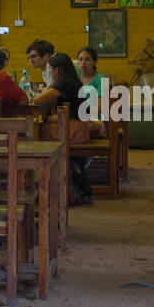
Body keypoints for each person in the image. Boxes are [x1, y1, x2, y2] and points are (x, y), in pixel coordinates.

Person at [34, 52, 94, 203]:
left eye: (51, 68)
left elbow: (37, 100)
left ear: (58, 69)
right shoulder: (71, 81)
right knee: (41, 127)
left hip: (75, 129)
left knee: (36, 132)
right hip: (79, 127)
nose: (49, 72)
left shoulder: (64, 83)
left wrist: (52, 83)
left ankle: (40, 179)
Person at [75, 46, 111, 139]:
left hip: (95, 119)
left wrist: (79, 114)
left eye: (88, 59)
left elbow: (100, 107)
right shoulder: (74, 75)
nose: (83, 62)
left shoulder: (101, 79)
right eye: (80, 59)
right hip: (77, 116)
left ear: (94, 62)